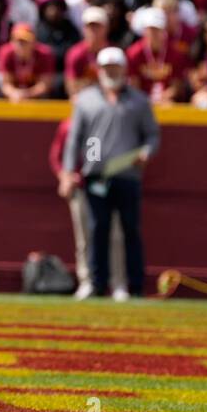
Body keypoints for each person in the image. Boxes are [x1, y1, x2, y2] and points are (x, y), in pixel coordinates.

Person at [60, 47, 159, 300]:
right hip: (95, 175)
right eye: (107, 68)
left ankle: (131, 285)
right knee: (97, 230)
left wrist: (146, 152)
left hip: (127, 174)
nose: (111, 72)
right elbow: (74, 140)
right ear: (99, 70)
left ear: (124, 70)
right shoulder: (85, 100)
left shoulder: (138, 101)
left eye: (116, 67)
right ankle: (95, 283)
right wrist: (69, 171)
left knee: (129, 230)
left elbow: (152, 134)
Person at [49, 118, 125, 299]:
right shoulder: (68, 125)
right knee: (84, 237)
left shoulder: (107, 122)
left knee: (114, 235)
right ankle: (87, 281)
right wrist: (66, 176)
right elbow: (57, 156)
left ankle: (118, 283)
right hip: (81, 188)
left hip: (106, 187)